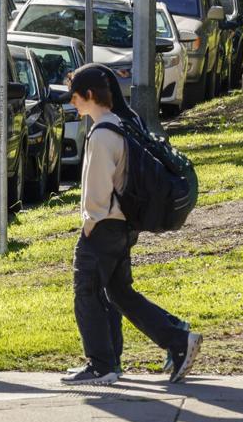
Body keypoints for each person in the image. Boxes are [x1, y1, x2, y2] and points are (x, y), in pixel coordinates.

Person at [63, 64, 201, 385]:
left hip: (104, 226)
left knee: (86, 293)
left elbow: (97, 190)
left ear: (90, 95)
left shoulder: (101, 135)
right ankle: (175, 341)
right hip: (124, 225)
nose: (73, 103)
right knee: (118, 293)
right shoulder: (123, 123)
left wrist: (89, 224)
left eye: (75, 97)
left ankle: (102, 365)